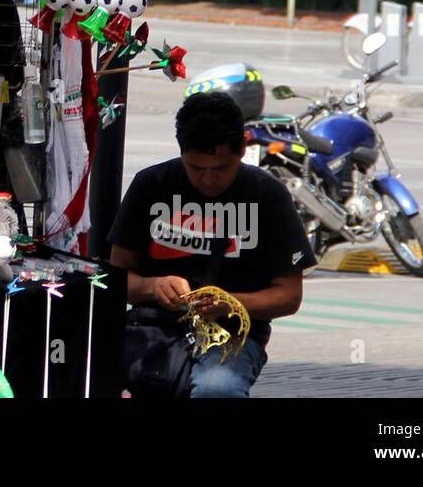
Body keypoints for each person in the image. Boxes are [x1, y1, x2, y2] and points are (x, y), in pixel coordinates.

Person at [109, 91, 315, 397]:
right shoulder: (151, 185)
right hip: (151, 328)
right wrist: (154, 287)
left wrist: (229, 304)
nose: (207, 180)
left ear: (242, 150)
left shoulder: (268, 196)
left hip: (233, 336)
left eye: (220, 169)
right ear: (181, 154)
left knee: (216, 388)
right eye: (195, 168)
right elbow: (114, 279)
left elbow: (289, 296)